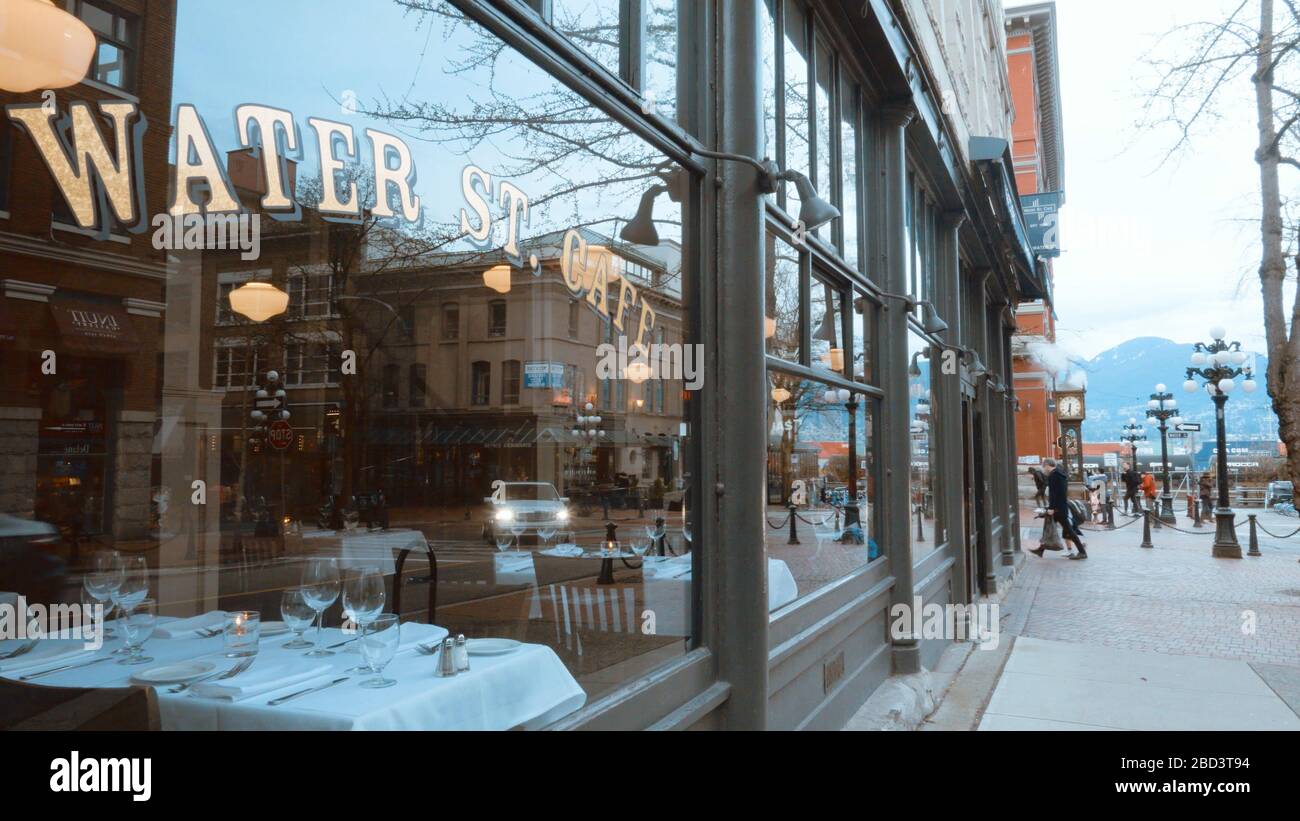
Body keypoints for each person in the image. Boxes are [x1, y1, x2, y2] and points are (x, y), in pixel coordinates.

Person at [1031, 457, 1087, 559]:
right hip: (1061, 507)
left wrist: (1051, 507)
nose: (1043, 469)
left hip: (1058, 509)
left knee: (1069, 531)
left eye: (1044, 466)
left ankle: (1082, 552)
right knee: (1049, 527)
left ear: (1048, 465)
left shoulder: (1054, 476)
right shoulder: (1059, 474)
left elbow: (1054, 493)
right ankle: (1041, 549)